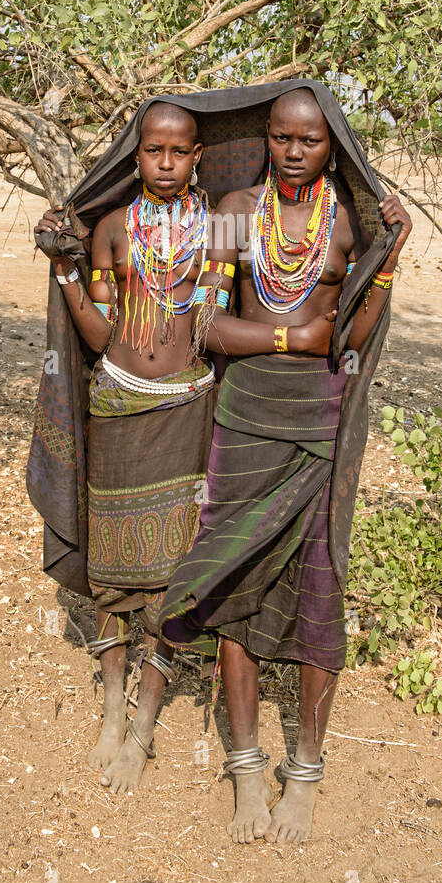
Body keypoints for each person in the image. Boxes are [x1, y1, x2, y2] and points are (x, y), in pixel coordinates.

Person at [159, 86, 412, 844]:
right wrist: (285, 341)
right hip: (245, 421)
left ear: (331, 146)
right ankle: (243, 766)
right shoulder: (236, 210)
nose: (294, 151)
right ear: (266, 138)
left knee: (317, 584)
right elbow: (205, 324)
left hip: (320, 424)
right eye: (281, 137)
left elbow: (353, 337)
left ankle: (303, 773)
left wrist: (389, 259)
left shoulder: (346, 223)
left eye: (309, 140)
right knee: (234, 581)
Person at [32, 102, 216, 795]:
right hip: (116, 401)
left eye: (178, 152)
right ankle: (111, 705)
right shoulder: (112, 231)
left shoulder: (220, 228)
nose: (164, 164)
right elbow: (99, 335)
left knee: (172, 570)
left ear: (197, 155)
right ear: (135, 156)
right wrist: (65, 271)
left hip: (186, 409)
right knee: (110, 568)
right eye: (151, 152)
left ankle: (143, 722)